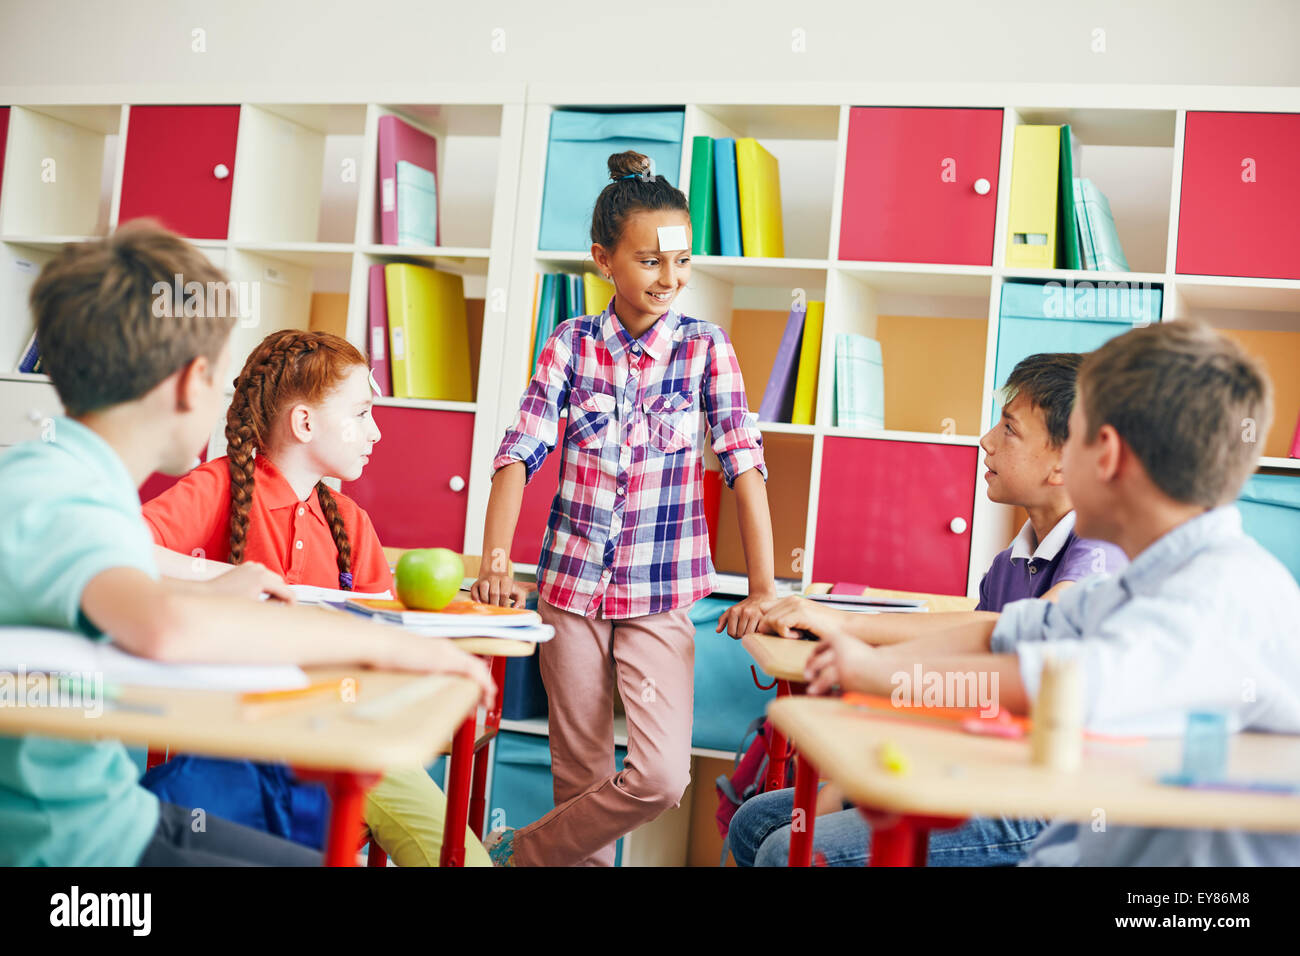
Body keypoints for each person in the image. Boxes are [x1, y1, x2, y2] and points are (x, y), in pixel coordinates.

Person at [0, 222, 492, 865]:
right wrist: (390, 643)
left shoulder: (75, 481)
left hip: (114, 816)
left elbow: (136, 593)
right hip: (74, 859)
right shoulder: (59, 492)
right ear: (189, 381)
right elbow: (165, 629)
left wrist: (215, 586)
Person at [805, 320, 1300, 865]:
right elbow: (1011, 633)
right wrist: (858, 661)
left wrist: (877, 674)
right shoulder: (1152, 576)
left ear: (1102, 454)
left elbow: (1060, 682)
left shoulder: (1220, 592)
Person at [473, 151, 776, 866]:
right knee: (579, 780)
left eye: (682, 261)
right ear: (603, 259)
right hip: (570, 591)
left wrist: (765, 586)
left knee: (661, 777)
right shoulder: (570, 346)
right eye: (649, 261)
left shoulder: (707, 350)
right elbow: (519, 452)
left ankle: (519, 853)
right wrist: (494, 562)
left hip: (660, 592)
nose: (669, 279)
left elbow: (744, 463)